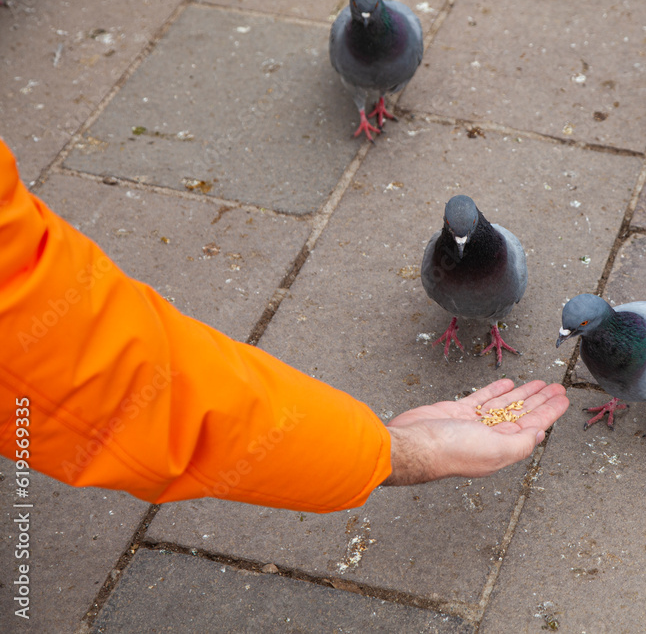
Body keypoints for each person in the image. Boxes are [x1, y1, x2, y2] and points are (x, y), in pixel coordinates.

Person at [0, 138, 569, 513]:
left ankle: (490, 325)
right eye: (455, 236)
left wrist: (393, 449)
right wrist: (395, 451)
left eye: (469, 236)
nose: (462, 244)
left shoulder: (507, 258)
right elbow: (120, 379)